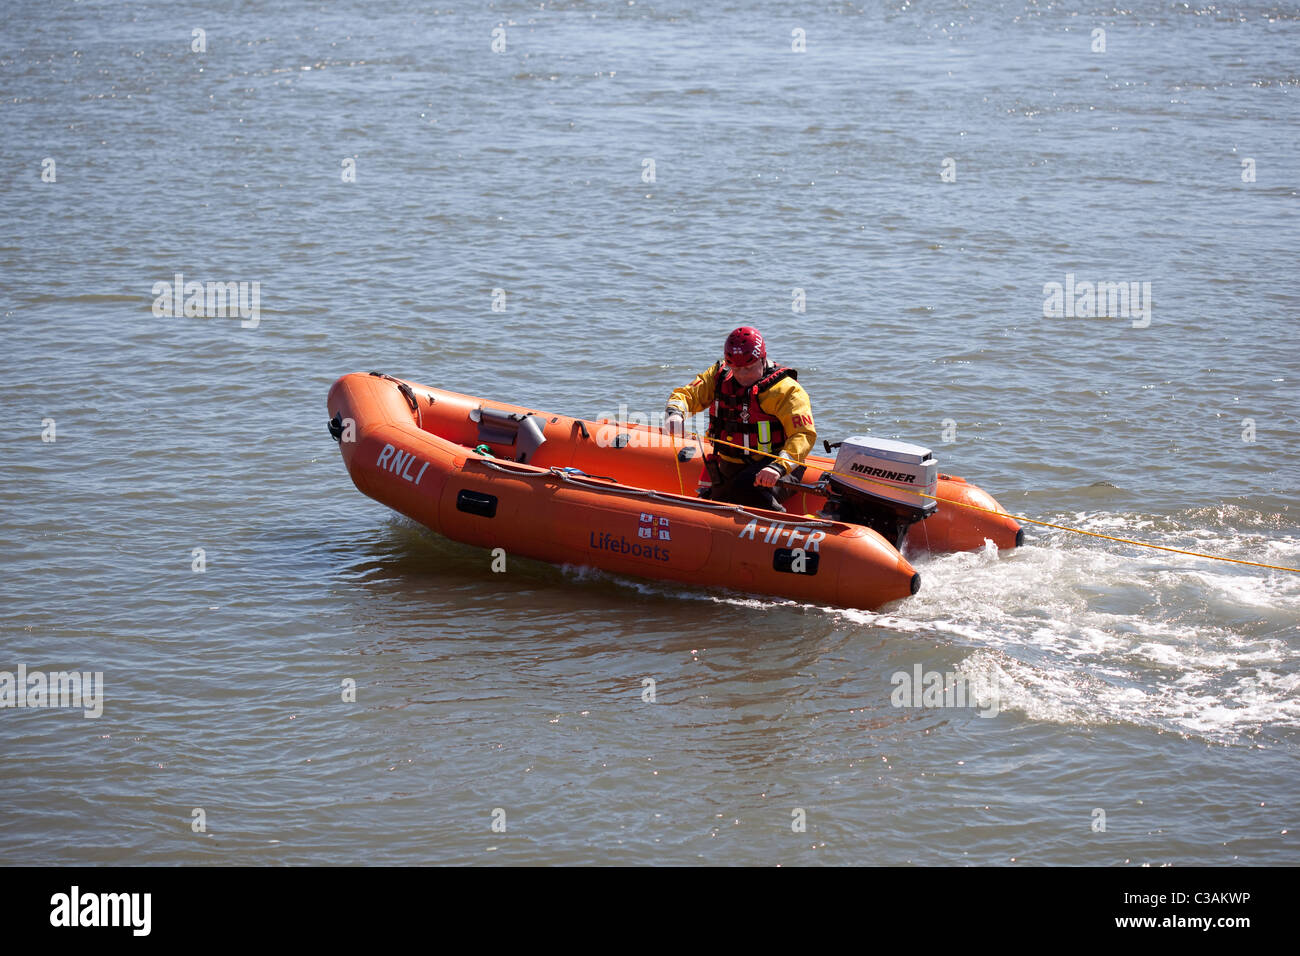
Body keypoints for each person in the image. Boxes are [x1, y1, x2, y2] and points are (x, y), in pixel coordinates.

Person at [663, 327, 815, 511]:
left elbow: (803, 435)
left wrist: (778, 467)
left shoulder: (787, 391)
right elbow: (687, 395)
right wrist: (675, 414)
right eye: (737, 368)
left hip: (777, 466)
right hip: (730, 465)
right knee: (723, 498)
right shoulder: (718, 376)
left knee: (746, 489)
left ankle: (780, 527)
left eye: (749, 368)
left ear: (762, 358)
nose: (742, 375)